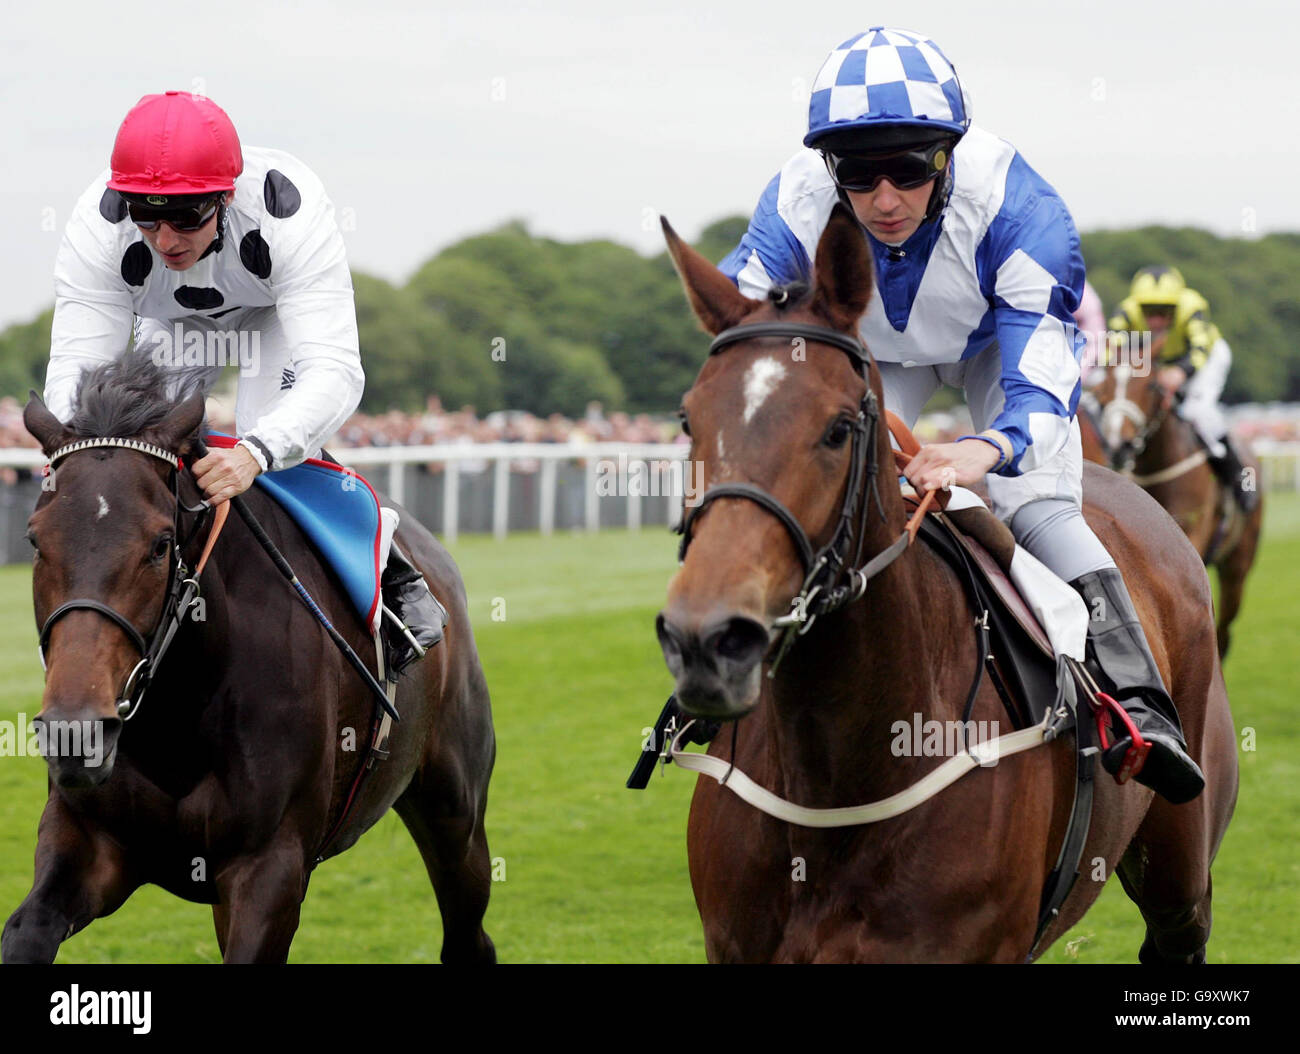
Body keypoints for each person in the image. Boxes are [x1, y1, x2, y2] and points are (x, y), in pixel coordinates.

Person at [718, 27, 1203, 803]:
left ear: (948, 153)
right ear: (827, 165)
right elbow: (742, 319)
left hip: (994, 349)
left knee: (1032, 499)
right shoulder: (796, 198)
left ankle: (1139, 701)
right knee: (810, 481)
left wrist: (987, 448)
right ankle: (717, 668)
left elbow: (1041, 389)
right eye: (858, 173)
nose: (883, 199)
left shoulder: (1023, 206)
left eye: (908, 170)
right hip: (876, 354)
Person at [44, 90, 440, 674]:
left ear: (226, 197)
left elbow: (334, 369)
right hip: (171, 324)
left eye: (186, 217)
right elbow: (77, 375)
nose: (165, 239)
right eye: (145, 216)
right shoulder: (96, 225)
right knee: (141, 447)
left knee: (272, 439)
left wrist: (256, 453)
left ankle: (391, 569)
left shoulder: (289, 209)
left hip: (273, 315)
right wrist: (77, 456)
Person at [1107, 266, 1256, 512]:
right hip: (1158, 363)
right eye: (1148, 311)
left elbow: (1199, 351)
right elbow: (1112, 348)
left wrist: (1179, 373)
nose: (1155, 319)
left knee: (1197, 411)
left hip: (1205, 359)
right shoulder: (1125, 311)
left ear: (1176, 306)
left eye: (1164, 311)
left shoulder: (1193, 306)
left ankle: (1238, 476)